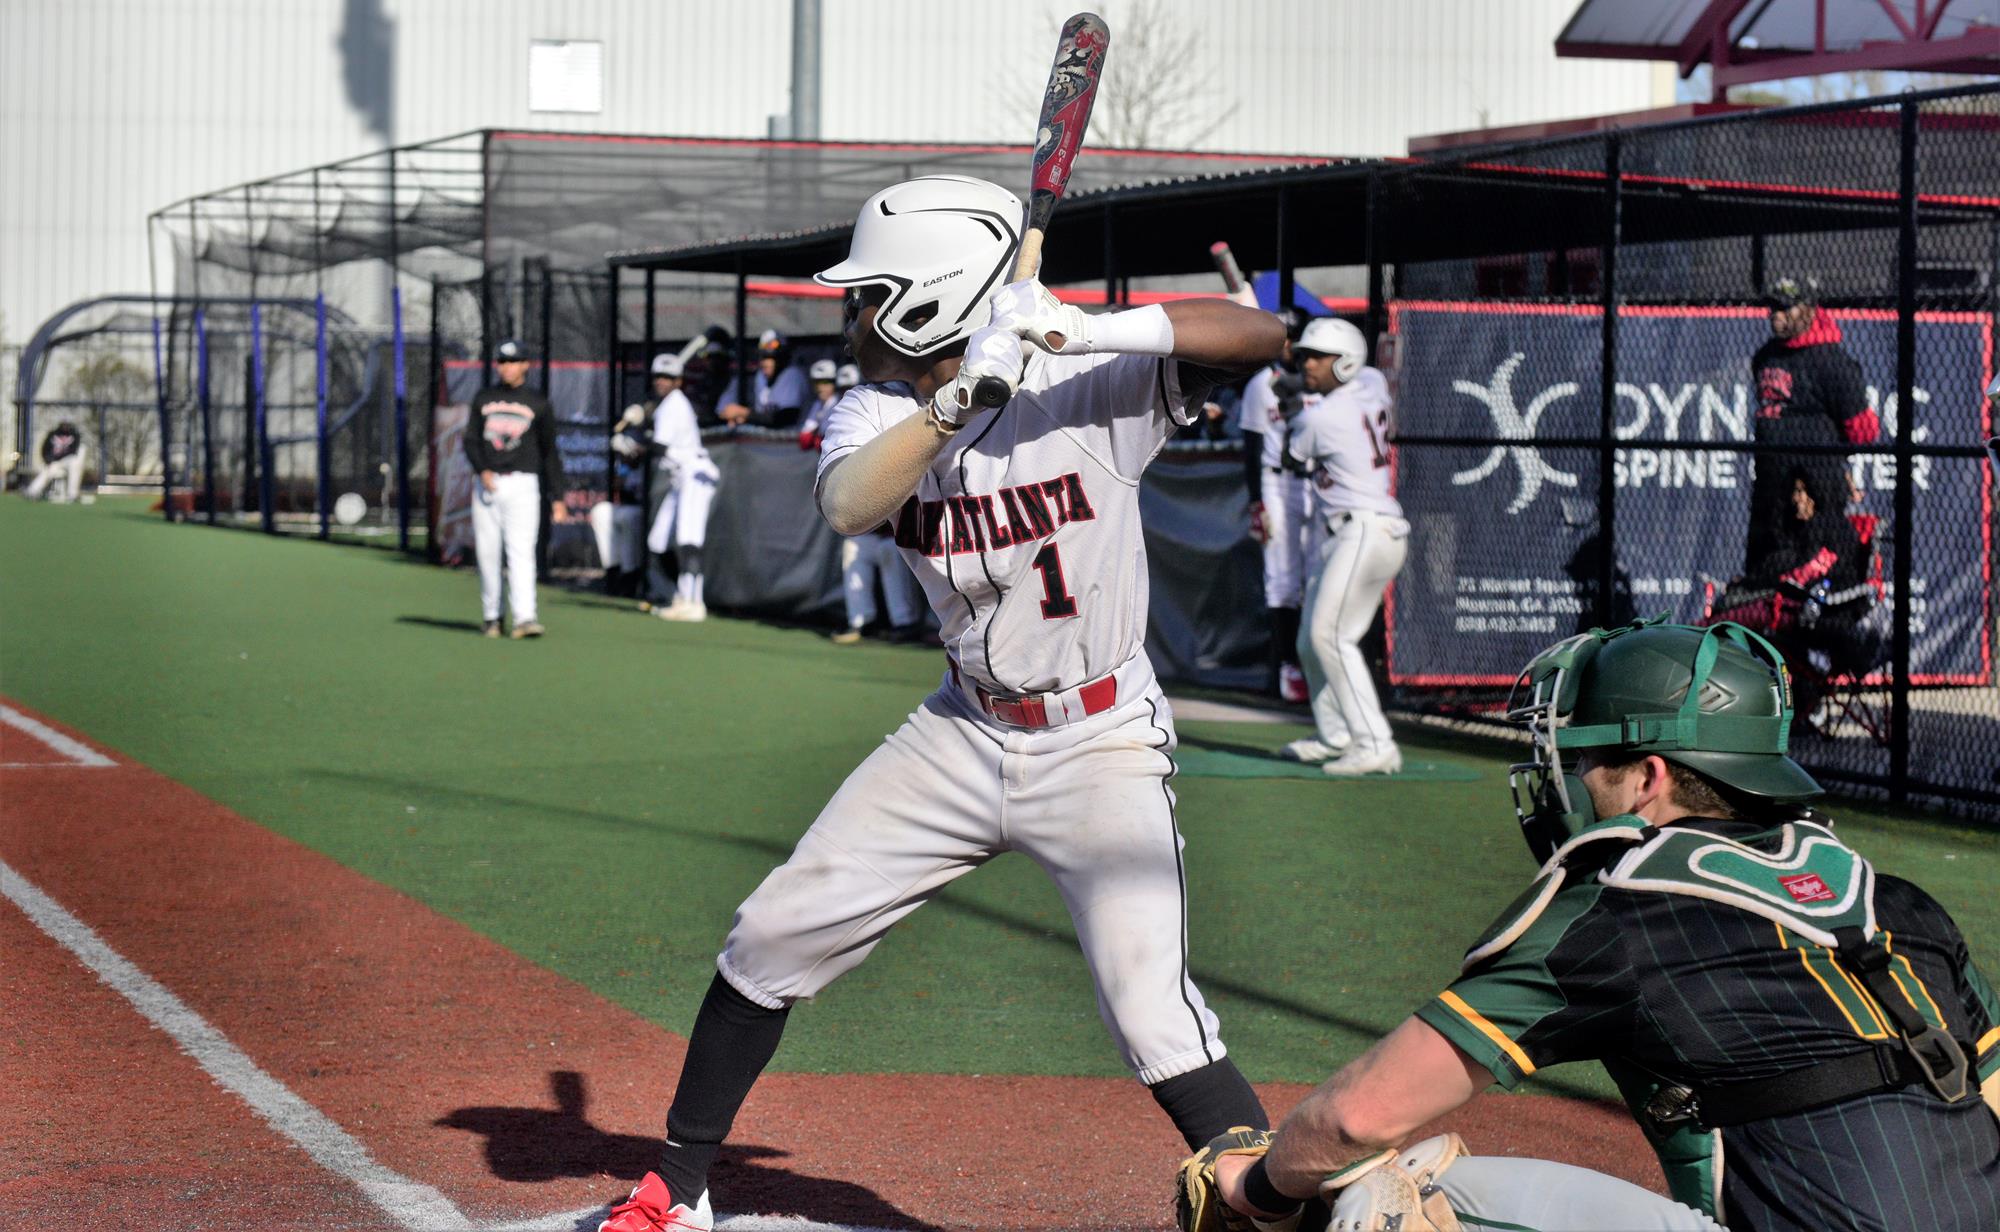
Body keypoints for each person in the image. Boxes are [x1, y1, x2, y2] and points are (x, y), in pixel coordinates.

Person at [598, 173, 1287, 1232]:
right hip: (959, 731)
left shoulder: (1087, 380)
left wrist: (1086, 326)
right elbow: (845, 503)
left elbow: (1261, 333)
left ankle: (1285, 1209)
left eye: (871, 293)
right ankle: (676, 1188)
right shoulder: (876, 406)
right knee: (771, 934)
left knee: (1154, 1013)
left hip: (1098, 739)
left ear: (929, 296)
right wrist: (961, 397)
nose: (853, 312)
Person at [1175, 618, 2000, 1232]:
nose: (1564, 783)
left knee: (1395, 1194)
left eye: (1581, 762)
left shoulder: (1619, 904)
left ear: (1649, 776)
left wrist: (1258, 1188)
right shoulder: (1894, 902)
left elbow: (1358, 1118)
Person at [1282, 318, 1409, 775]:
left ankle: (1375, 743)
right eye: (1304, 356)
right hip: (1364, 532)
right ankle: (1335, 734)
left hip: (1363, 531)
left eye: (1319, 356)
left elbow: (1291, 459)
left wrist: (1291, 403)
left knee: (1330, 637)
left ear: (1347, 361)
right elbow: (1363, 380)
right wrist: (1300, 396)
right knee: (1311, 640)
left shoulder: (1322, 417)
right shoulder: (1371, 383)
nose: (1308, 363)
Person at [1745, 275, 1877, 573]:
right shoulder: (1765, 357)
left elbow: (1863, 431)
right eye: (1773, 308)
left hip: (1816, 486)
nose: (1776, 315)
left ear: (1809, 309)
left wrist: (1830, 461)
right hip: (1770, 484)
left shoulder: (1832, 362)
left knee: (1814, 565)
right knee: (1765, 567)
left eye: (1785, 308)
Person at [1237, 309, 1315, 705]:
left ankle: (1309, 663)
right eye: (1284, 338)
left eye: (1294, 337)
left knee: (1315, 576)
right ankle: (1285, 667)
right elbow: (1251, 448)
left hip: (1316, 485)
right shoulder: (1261, 385)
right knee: (1282, 578)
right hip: (1277, 482)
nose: (1289, 346)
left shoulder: (1322, 384)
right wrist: (1256, 501)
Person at [465, 339, 564, 639]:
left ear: (525, 365)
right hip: (489, 482)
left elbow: (549, 450)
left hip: (523, 483)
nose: (506, 367)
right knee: (488, 554)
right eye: (502, 362)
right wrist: (481, 468)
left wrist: (557, 496)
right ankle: (492, 617)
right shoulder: (484, 398)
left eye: (513, 361)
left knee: (521, 552)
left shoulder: (538, 402)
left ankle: (525, 618)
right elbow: (471, 439)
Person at [645, 353, 720, 623]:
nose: (662, 382)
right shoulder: (666, 405)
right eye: (659, 377)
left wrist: (634, 440)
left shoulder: (674, 404)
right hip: (681, 478)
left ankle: (693, 602)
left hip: (694, 475)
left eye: (668, 377)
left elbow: (659, 447)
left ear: (678, 381)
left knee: (689, 539)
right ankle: (680, 595)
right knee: (658, 539)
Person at [717, 329, 807, 429]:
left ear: (782, 358)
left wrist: (744, 413)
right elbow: (762, 416)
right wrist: (744, 417)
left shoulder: (792, 374)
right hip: (768, 440)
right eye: (763, 357)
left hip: (793, 439)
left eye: (770, 357)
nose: (765, 363)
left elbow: (787, 418)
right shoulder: (761, 377)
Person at [23, 420, 85, 502]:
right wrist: (48, 459)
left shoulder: (75, 435)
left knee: (75, 463)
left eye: (67, 424)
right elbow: (45, 449)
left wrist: (61, 457)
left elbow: (74, 451)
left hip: (67, 460)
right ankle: (32, 491)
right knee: (48, 471)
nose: (65, 426)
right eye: (64, 424)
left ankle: (72, 494)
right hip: (55, 461)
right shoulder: (53, 434)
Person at [795, 358, 840, 450]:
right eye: (817, 383)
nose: (820, 387)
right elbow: (804, 440)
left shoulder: (840, 404)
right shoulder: (817, 404)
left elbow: (833, 441)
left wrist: (816, 437)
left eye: (825, 382)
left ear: (834, 383)